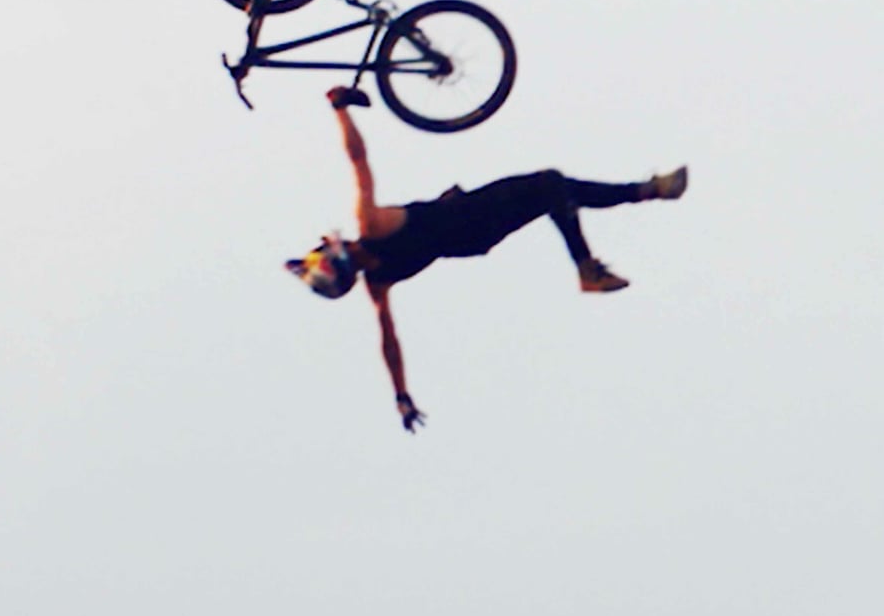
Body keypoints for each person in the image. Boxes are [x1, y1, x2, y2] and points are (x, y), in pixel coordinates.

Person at [287, 86, 687, 431]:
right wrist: (340, 109)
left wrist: (402, 396)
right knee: (551, 185)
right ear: (334, 257)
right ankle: (590, 265)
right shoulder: (370, 226)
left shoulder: (379, 281)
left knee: (557, 190)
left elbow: (388, 340)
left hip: (474, 237)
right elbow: (358, 162)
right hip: (472, 217)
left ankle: (650, 191)